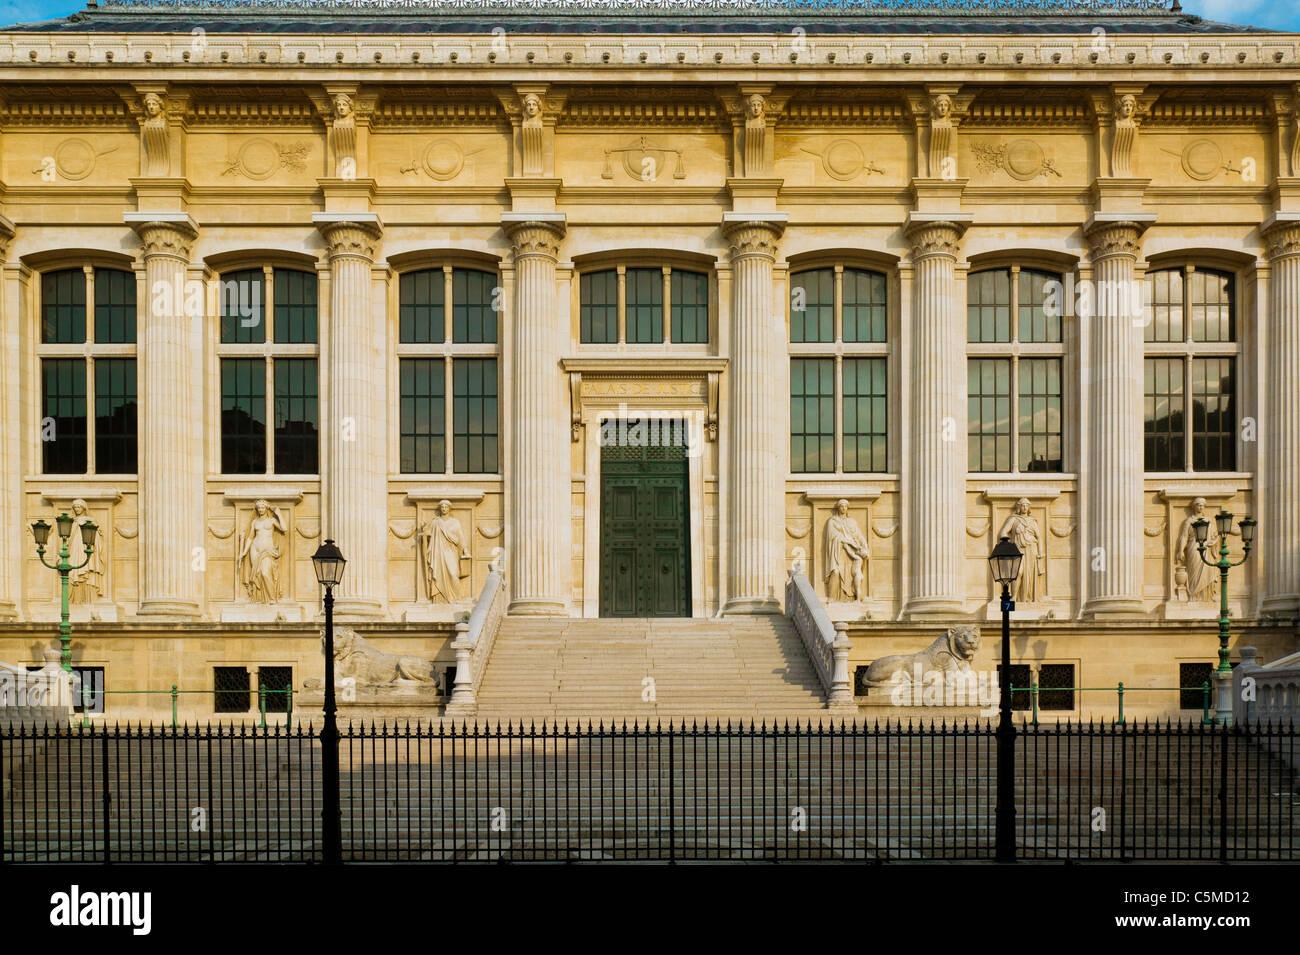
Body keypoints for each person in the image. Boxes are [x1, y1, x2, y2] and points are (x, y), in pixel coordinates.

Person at [238, 499, 286, 603]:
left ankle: (272, 598)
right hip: (255, 548)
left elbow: (284, 528)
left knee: (265, 572)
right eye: (259, 508)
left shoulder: (272, 520)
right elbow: (250, 537)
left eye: (262, 507)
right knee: (257, 574)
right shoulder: (254, 522)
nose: (260, 510)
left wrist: (279, 514)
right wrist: (244, 552)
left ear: (266, 508)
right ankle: (259, 598)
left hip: (268, 549)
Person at [421, 500, 469, 602]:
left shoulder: (455, 522)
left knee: (453, 574)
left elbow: (460, 536)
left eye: (446, 507)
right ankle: (440, 599)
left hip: (451, 551)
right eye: (442, 507)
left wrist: (465, 549)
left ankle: (457, 597)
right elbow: (428, 534)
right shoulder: (435, 522)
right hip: (438, 552)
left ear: (449, 509)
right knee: (438, 574)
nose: (444, 509)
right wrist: (424, 529)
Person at [998, 497, 1043, 603]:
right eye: (1023, 505)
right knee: (1018, 572)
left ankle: (1028, 598)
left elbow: (1039, 536)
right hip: (1017, 550)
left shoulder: (1032, 521)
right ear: (1019, 507)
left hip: (1031, 549)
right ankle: (1014, 596)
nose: (1025, 507)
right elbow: (1003, 533)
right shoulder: (1013, 519)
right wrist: (1008, 545)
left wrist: (1040, 551)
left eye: (1027, 505)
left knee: (1030, 574)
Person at [823, 499, 868, 601]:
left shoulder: (852, 522)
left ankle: (850, 598)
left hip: (850, 553)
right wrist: (848, 541)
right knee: (835, 572)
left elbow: (859, 536)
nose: (843, 508)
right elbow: (832, 537)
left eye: (845, 506)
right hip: (837, 552)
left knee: (851, 576)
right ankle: (832, 598)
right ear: (838, 508)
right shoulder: (832, 521)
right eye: (841, 506)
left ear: (847, 508)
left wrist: (865, 547)